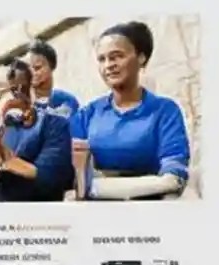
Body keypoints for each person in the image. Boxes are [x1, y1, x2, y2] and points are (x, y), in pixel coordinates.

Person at [69, 21, 191, 201]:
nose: (108, 65)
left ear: (141, 57)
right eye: (102, 59)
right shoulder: (87, 115)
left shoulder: (165, 112)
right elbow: (74, 177)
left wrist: (95, 186)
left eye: (116, 56)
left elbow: (174, 179)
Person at [0, 60, 74, 202]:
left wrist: (8, 161)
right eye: (11, 91)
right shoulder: (3, 129)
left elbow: (50, 178)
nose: (16, 96)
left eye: (23, 88)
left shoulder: (54, 123)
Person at [26, 39, 80, 119]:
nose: (32, 73)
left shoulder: (67, 100)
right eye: (28, 68)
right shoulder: (23, 105)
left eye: (37, 68)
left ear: (52, 66)